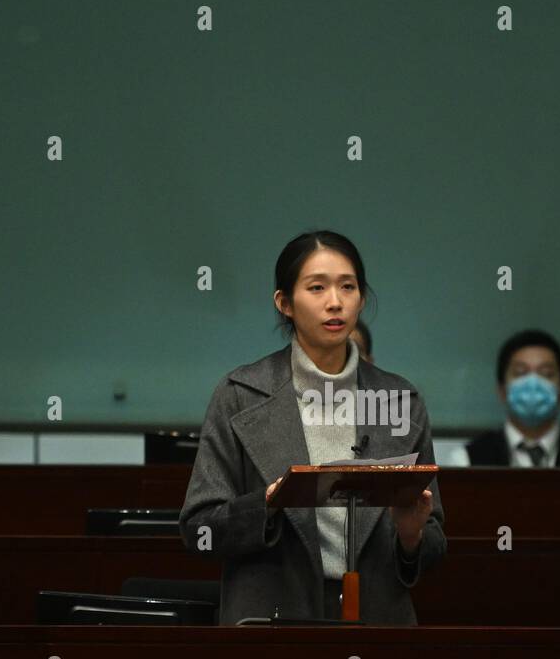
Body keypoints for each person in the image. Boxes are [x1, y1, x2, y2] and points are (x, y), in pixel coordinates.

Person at [179, 230, 446, 625]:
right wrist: (267, 506)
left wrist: (410, 536)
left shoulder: (399, 400)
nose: (335, 302)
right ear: (284, 303)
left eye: (348, 287)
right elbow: (199, 530)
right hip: (272, 618)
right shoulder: (241, 393)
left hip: (378, 621)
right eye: (317, 287)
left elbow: (435, 540)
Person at [465, 329, 560, 468]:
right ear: (502, 390)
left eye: (546, 374)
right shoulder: (466, 461)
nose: (533, 384)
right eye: (520, 372)